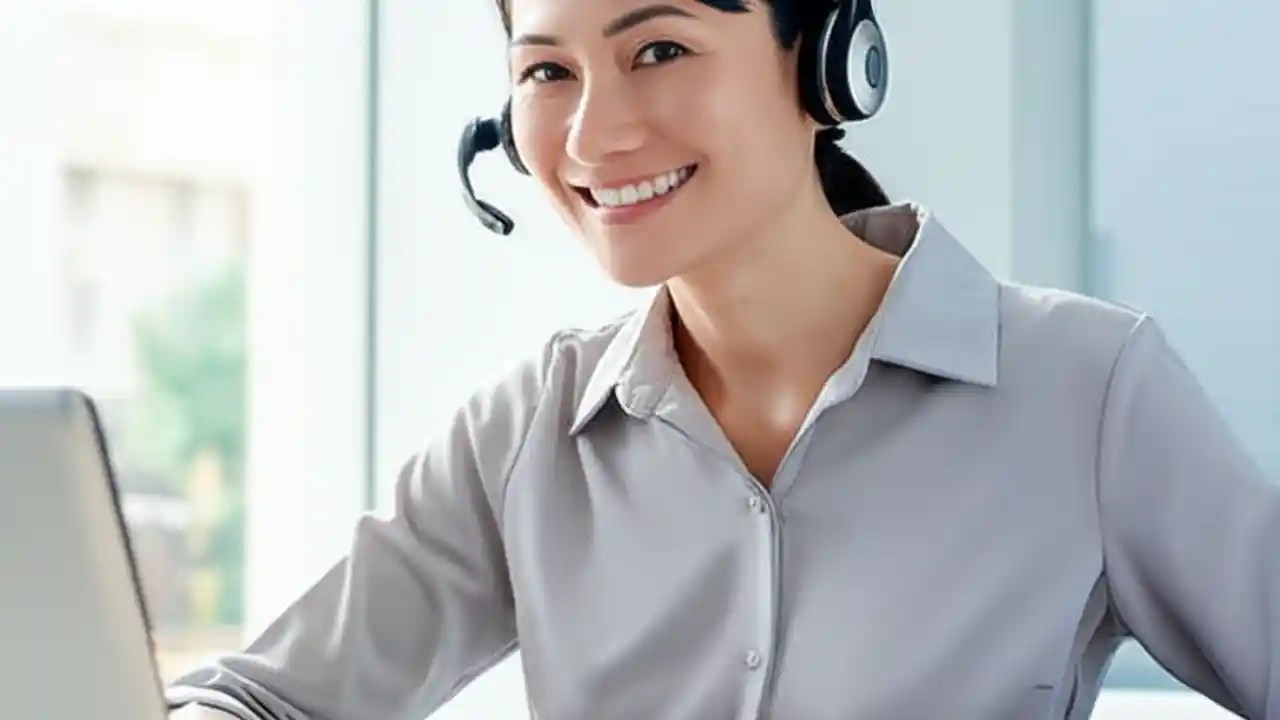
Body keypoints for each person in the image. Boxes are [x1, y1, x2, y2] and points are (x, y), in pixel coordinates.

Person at [168, 0, 1279, 717]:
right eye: (546, 72)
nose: (594, 135)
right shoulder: (526, 435)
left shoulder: (1083, 390)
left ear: (828, 70)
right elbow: (265, 701)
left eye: (659, 49)